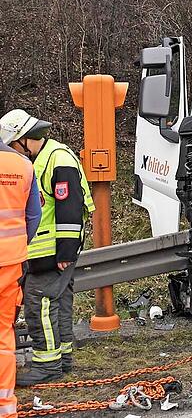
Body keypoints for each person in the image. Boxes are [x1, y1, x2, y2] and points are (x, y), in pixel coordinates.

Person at [0, 110, 94, 386]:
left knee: (38, 306)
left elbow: (70, 208)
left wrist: (65, 252)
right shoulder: (42, 159)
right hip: (47, 250)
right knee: (59, 304)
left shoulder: (58, 159)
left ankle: (47, 364)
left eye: (12, 146)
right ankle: (63, 359)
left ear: (24, 140)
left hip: (54, 252)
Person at [0, 135, 40, 418]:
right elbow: (34, 216)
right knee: (4, 334)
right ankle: (5, 406)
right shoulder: (22, 165)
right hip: (11, 262)